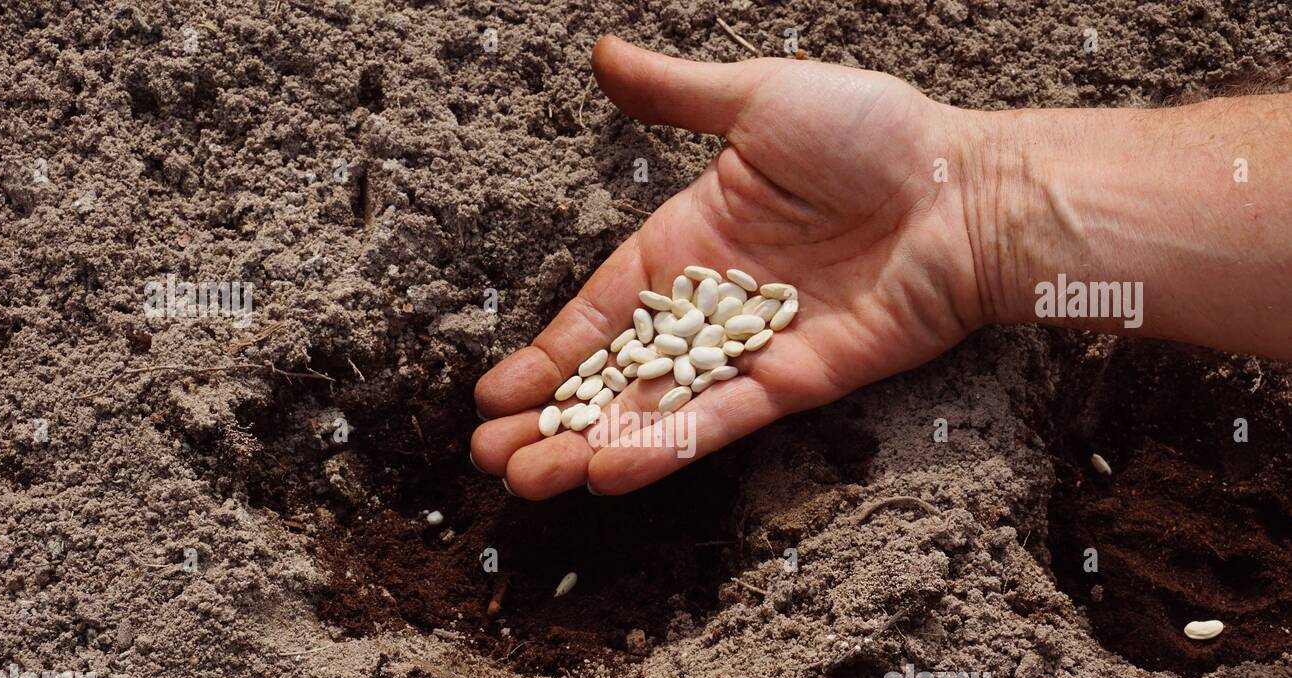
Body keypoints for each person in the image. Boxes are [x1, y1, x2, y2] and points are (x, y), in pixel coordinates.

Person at [471, 35, 1292, 499]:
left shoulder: (724, 315)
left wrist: (972, 196)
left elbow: (693, 341)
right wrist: (971, 196)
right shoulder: (712, 317)